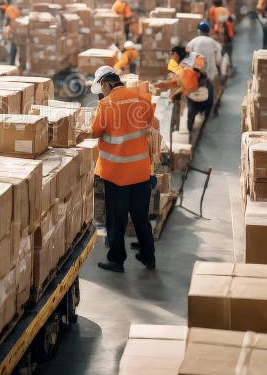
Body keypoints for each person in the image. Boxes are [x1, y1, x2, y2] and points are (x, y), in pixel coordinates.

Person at [89, 66, 156, 272]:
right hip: (140, 172)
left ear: (107, 83)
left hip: (117, 174)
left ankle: (116, 260)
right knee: (141, 218)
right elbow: (148, 118)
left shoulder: (106, 105)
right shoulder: (139, 99)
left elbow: (94, 132)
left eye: (102, 88)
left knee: (116, 220)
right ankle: (148, 257)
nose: (102, 92)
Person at [154, 46, 213, 133]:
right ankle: (193, 131)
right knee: (194, 113)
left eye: (172, 55)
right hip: (197, 90)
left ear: (176, 54)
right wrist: (162, 85)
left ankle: (196, 129)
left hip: (201, 89)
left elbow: (178, 81)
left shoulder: (190, 62)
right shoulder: (186, 63)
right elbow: (177, 81)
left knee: (199, 110)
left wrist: (164, 85)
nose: (171, 58)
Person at [1, 0, 23, 66]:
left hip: (12, 31)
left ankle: (11, 63)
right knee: (16, 48)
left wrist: (4, 32)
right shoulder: (17, 9)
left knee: (12, 48)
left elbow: (7, 21)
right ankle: (15, 63)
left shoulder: (9, 9)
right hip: (19, 31)